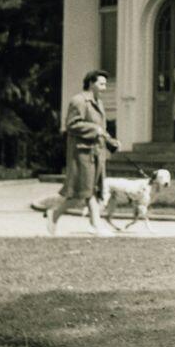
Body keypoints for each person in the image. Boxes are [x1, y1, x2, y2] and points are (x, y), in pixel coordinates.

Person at [46, 70, 120, 236]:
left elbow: (102, 129)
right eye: (101, 83)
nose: (105, 87)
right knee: (84, 191)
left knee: (90, 191)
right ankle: (58, 215)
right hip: (82, 154)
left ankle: (91, 224)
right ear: (91, 83)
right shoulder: (78, 101)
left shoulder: (98, 103)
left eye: (105, 84)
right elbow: (72, 124)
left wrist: (111, 143)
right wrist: (94, 129)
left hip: (96, 153)